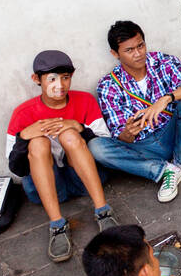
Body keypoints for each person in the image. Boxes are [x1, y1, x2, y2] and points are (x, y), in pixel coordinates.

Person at [7, 50, 122, 263]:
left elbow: (105, 146)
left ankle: (103, 211)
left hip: (83, 181)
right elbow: (17, 169)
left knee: (69, 135)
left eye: (65, 78)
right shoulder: (23, 113)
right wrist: (23, 138)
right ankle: (57, 225)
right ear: (36, 79)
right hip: (45, 189)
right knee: (38, 142)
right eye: (51, 79)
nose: (60, 85)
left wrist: (78, 127)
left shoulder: (85, 101)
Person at [94, 21, 181, 204]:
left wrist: (165, 99)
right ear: (115, 54)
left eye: (140, 45)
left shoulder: (163, 62)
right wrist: (128, 132)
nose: (138, 53)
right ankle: (164, 170)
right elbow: (122, 137)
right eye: (129, 50)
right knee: (97, 148)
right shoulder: (108, 86)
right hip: (143, 147)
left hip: (173, 134)